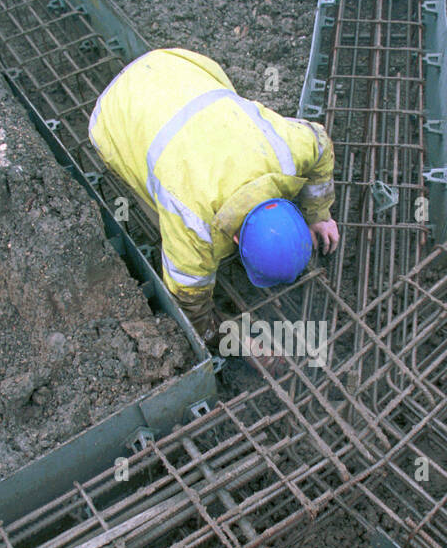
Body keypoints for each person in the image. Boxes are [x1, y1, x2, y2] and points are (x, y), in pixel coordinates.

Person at [88, 48, 339, 349]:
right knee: (149, 189)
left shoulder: (286, 154)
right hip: (113, 115)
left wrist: (319, 214)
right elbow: (187, 299)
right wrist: (224, 338)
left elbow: (320, 142)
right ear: (236, 242)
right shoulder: (193, 226)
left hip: (175, 64)